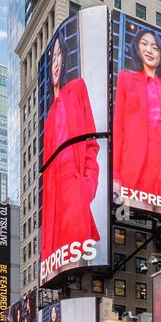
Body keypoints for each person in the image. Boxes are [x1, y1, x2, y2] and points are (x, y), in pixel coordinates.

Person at [40, 31, 101, 268]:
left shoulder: (77, 88)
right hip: (53, 206)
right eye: (52, 57)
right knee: (59, 267)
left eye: (58, 56)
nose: (55, 62)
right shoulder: (48, 117)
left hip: (74, 193)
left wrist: (86, 187)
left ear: (64, 60)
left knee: (76, 264)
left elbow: (91, 144)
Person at [113, 27, 161, 205]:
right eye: (144, 44)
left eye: (155, 47)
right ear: (137, 49)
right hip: (136, 162)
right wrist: (115, 175)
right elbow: (118, 129)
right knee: (129, 215)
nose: (149, 50)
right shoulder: (126, 79)